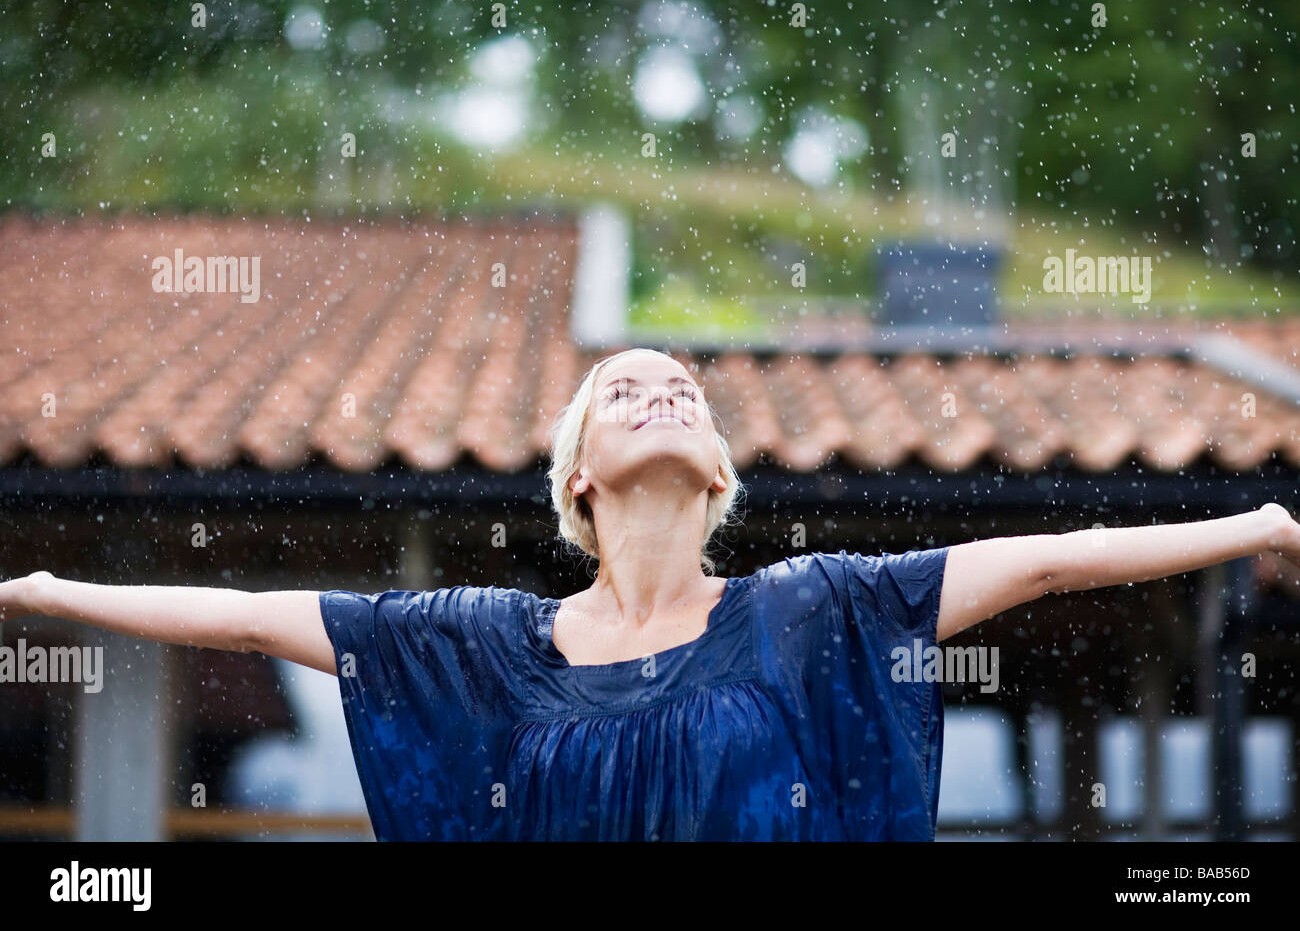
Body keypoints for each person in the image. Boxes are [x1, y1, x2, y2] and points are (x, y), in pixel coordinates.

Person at [2, 347, 1298, 840]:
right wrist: (45, 586)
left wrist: (1264, 519)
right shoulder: (486, 648)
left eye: (682, 389)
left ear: (723, 470)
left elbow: (1058, 558)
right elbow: (239, 617)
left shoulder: (818, 611)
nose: (662, 392)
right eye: (625, 390)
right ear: (578, 480)